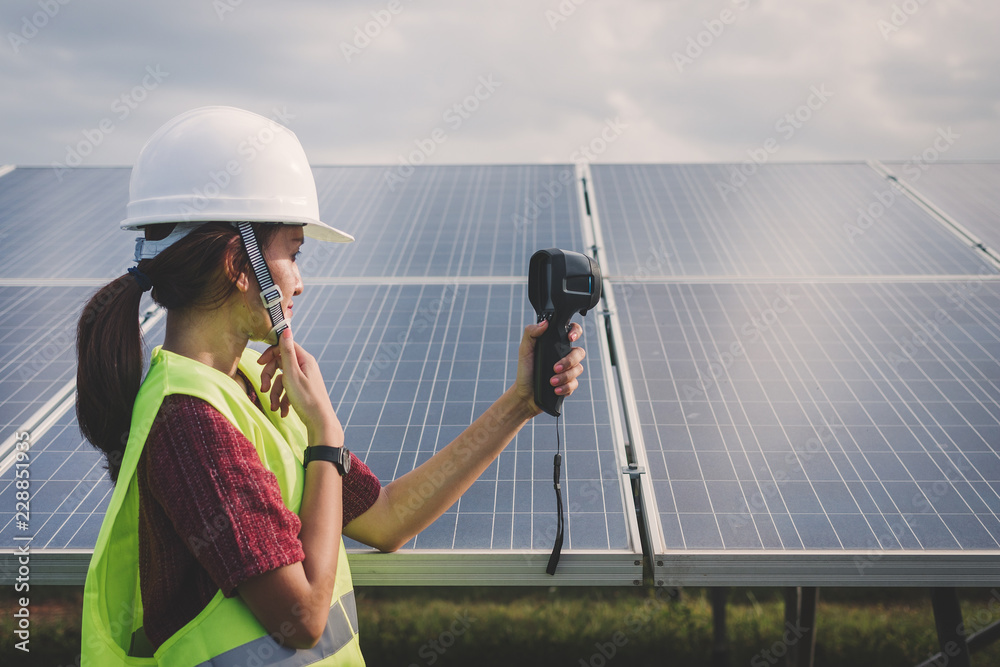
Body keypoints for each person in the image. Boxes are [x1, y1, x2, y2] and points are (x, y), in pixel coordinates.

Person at [76, 106, 586, 666]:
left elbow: (388, 518)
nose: (301, 281)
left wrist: (520, 403)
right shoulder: (189, 421)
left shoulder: (250, 386)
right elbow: (303, 620)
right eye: (292, 255)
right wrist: (325, 434)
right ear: (236, 264)